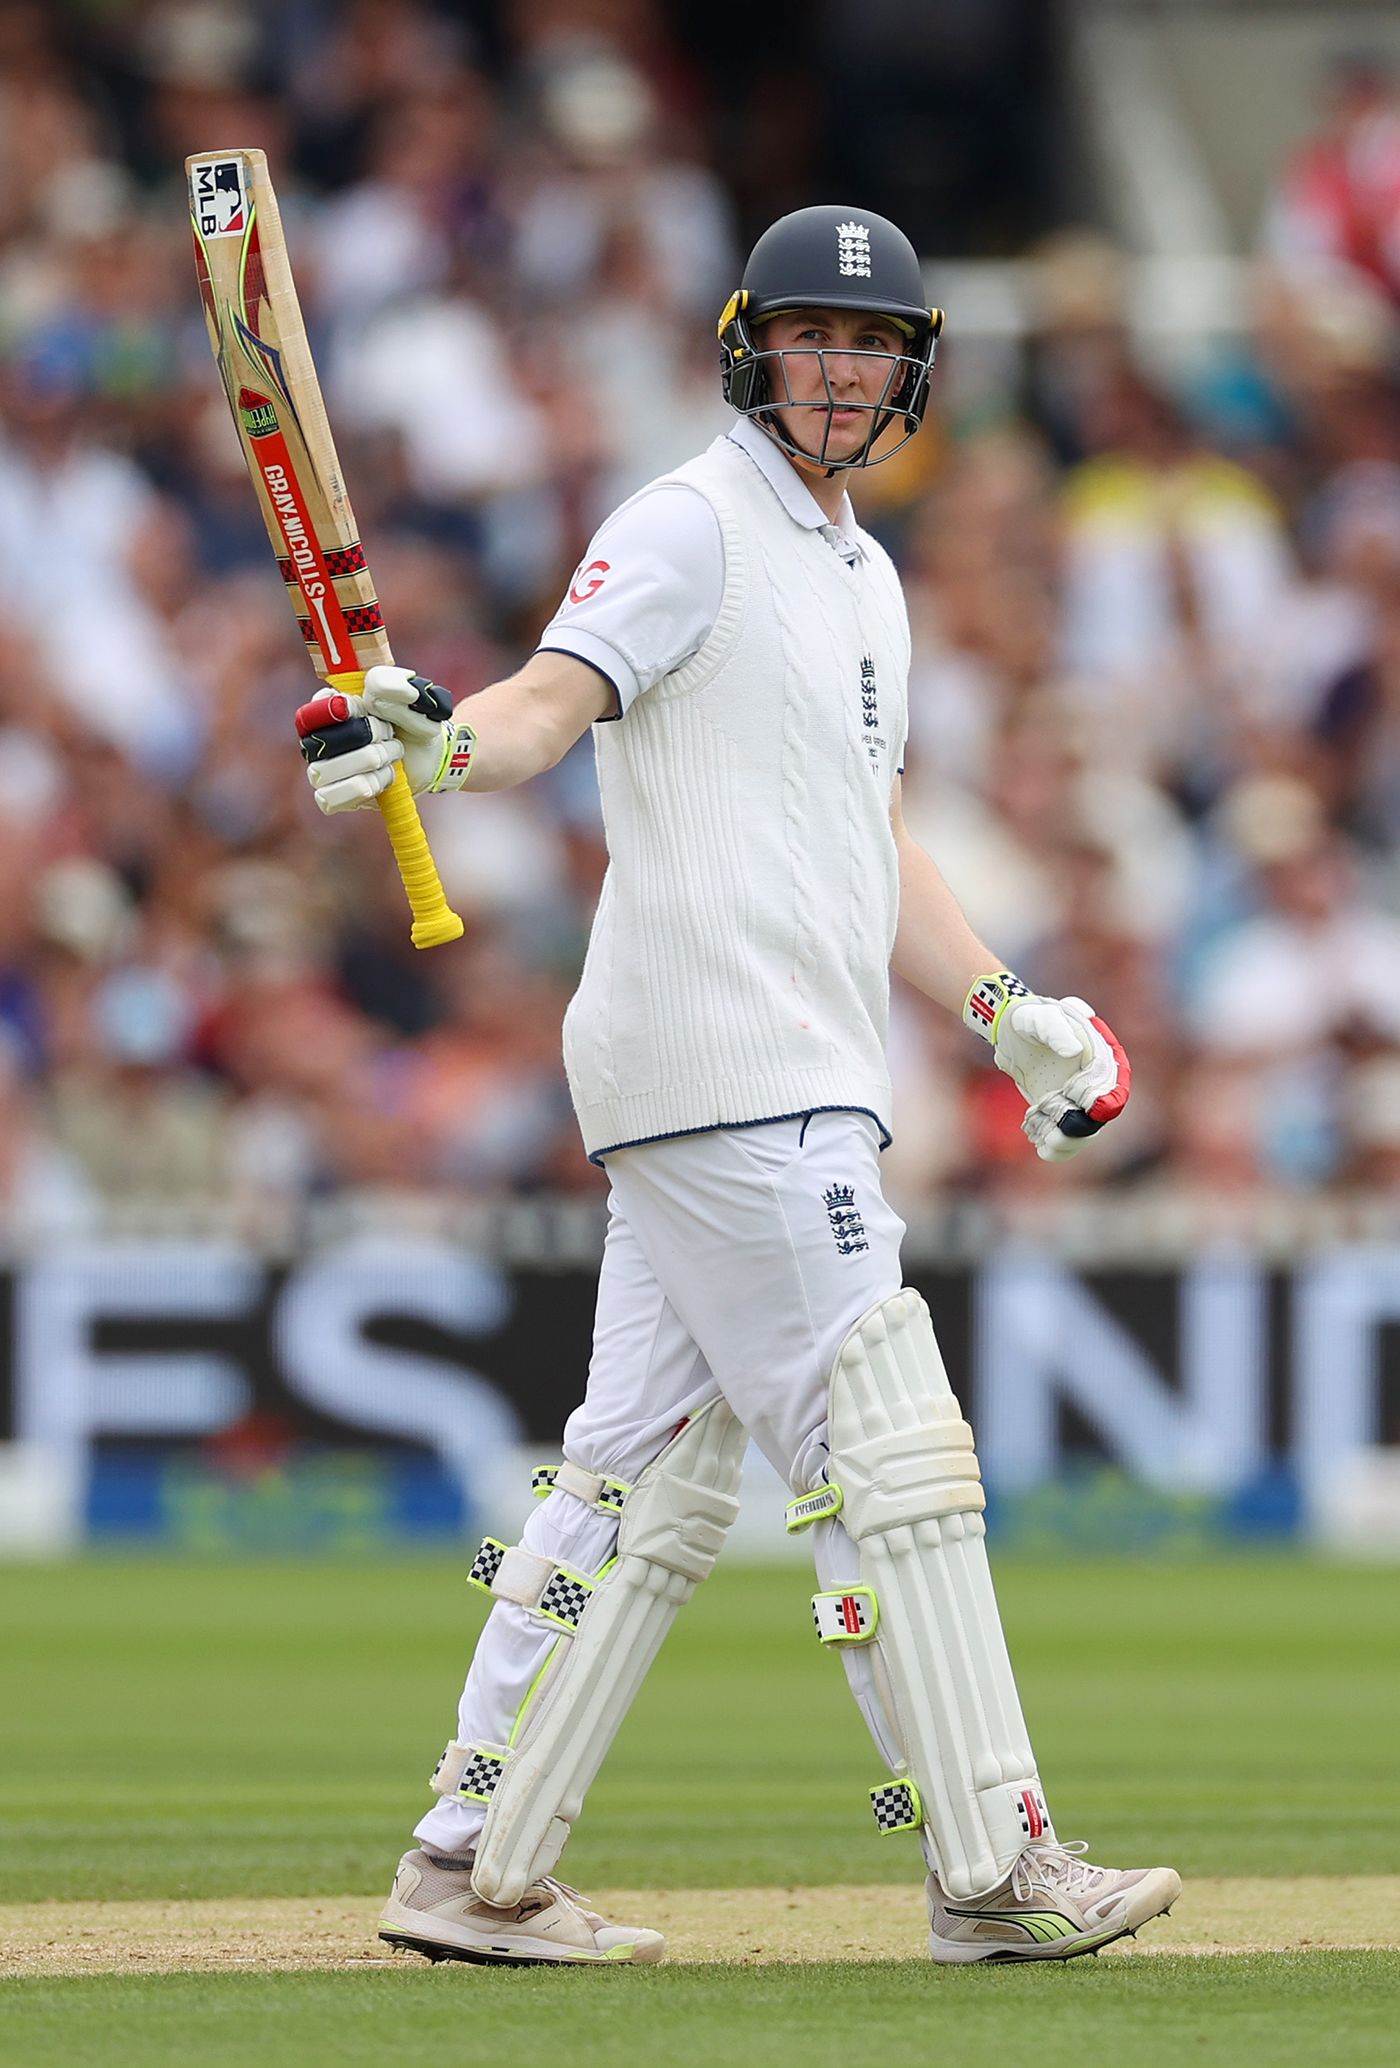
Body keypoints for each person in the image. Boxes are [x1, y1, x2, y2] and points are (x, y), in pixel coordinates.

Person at [298, 205, 1179, 1967]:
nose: (842, 370)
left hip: (767, 1068)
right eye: (812, 339)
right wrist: (446, 740)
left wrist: (1010, 1008)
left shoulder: (867, 576)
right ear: (749, 348)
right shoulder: (689, 520)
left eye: (871, 344)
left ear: (912, 368)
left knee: (624, 1479)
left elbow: (863, 841)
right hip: (736, 1064)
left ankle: (469, 1861)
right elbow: (553, 703)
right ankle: (996, 1865)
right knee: (888, 1456)